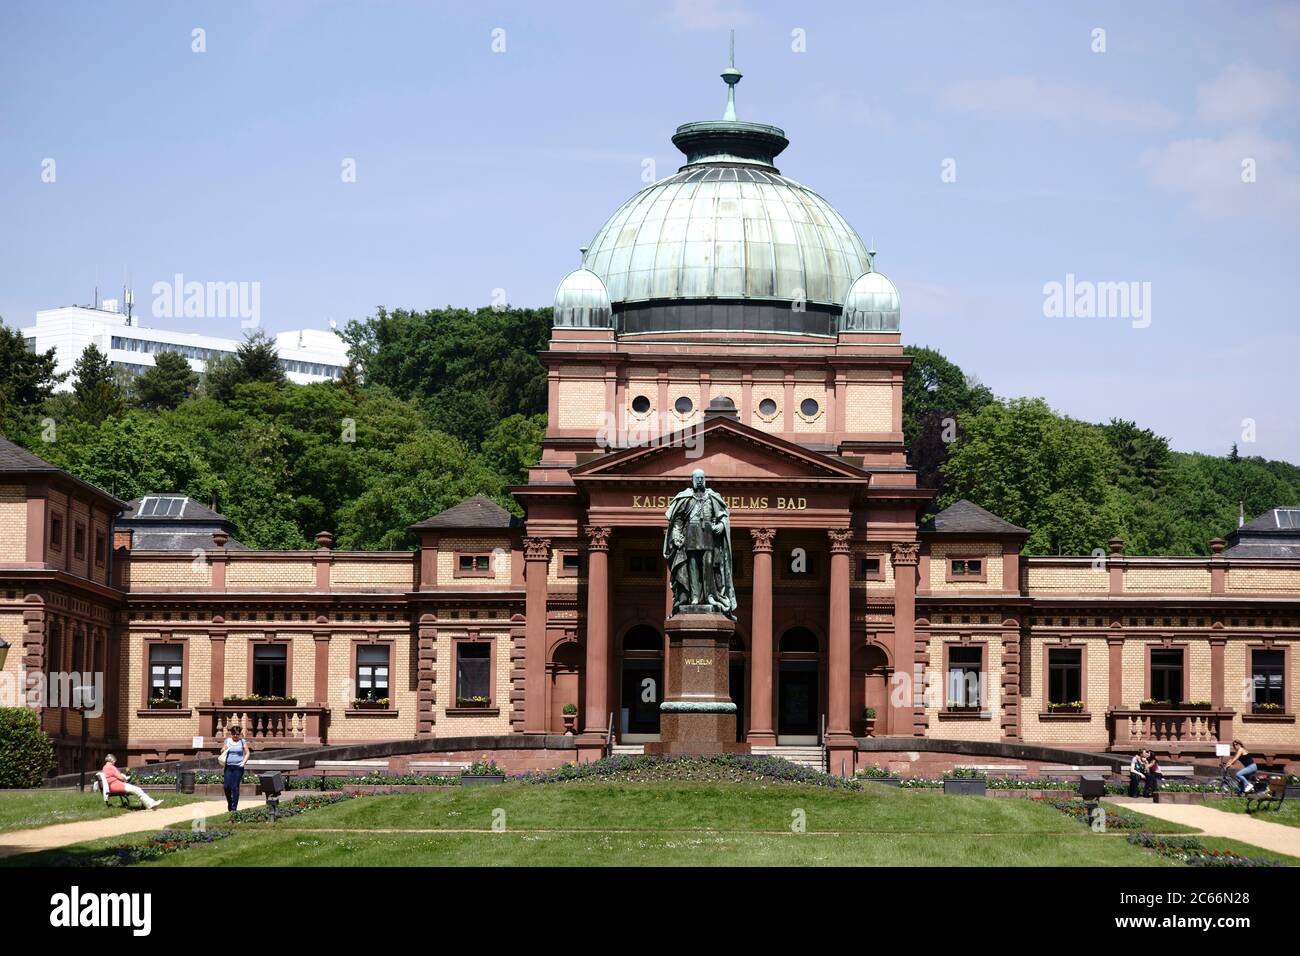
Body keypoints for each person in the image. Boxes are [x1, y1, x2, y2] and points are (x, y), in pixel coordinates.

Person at [221, 724, 251, 812]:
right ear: (231, 734)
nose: (235, 736)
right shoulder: (227, 741)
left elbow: (247, 753)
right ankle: (230, 803)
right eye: (234, 734)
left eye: (237, 734)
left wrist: (243, 763)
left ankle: (234, 808)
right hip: (228, 766)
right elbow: (222, 751)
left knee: (235, 787)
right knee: (226, 787)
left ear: (240, 734)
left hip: (238, 767)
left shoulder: (242, 741)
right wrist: (223, 749)